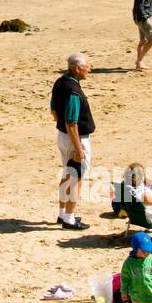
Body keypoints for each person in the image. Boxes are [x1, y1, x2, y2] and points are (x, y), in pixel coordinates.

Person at [49, 52, 94, 230]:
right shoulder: (74, 92)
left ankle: (62, 213)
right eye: (87, 66)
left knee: (67, 175)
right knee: (77, 178)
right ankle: (69, 218)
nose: (89, 69)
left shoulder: (60, 82)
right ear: (77, 68)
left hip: (62, 137)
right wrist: (79, 148)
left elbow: (54, 111)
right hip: (76, 138)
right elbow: (71, 122)